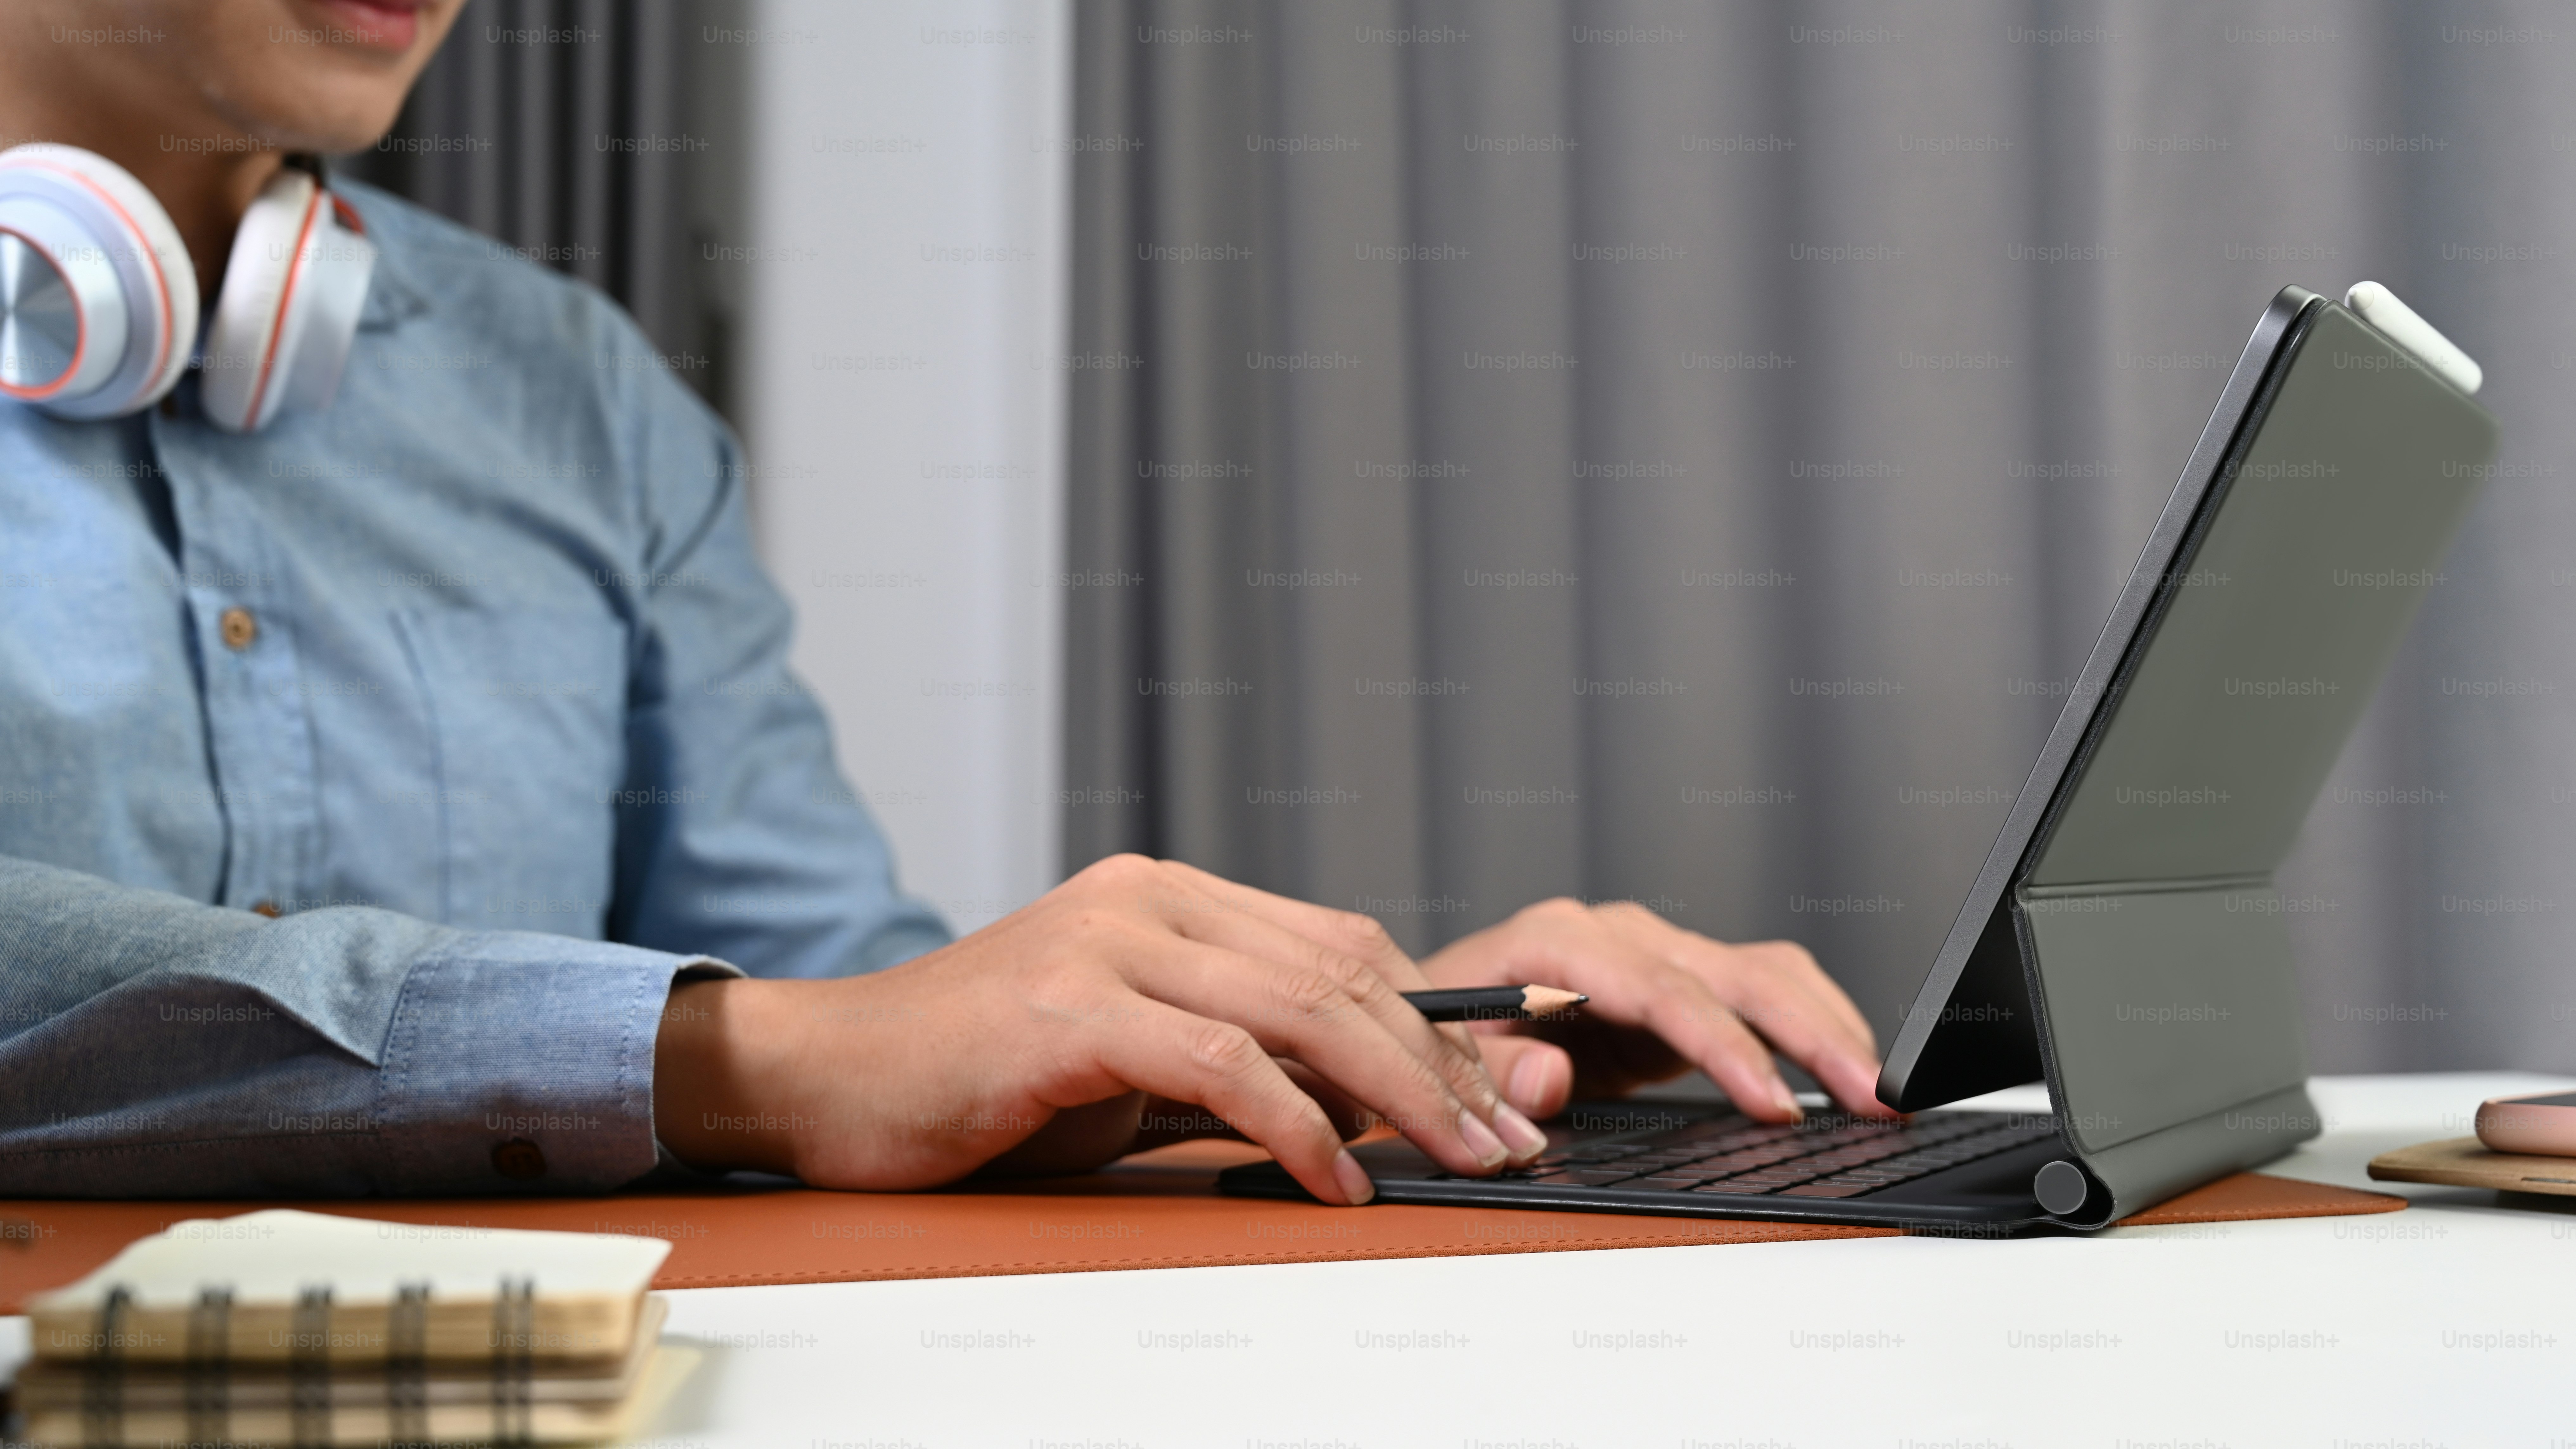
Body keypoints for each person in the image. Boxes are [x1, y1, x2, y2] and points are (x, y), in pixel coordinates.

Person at [0, 0, 1891, 1205]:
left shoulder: (569, 390)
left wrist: (1319, 1027)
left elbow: (864, 1017)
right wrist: (766, 1057)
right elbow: (794, 1054)